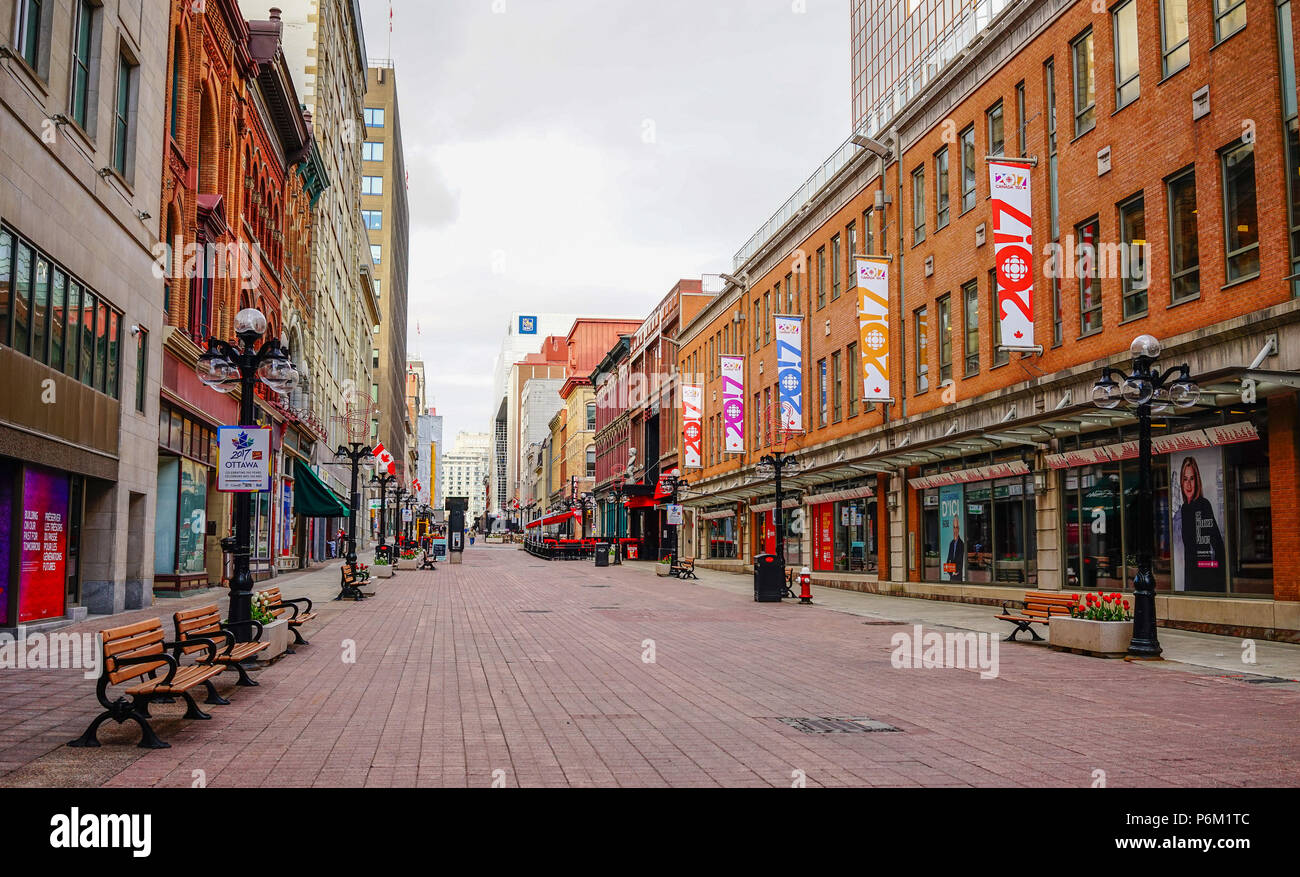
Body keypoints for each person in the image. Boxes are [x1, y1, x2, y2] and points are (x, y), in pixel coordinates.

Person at [1174, 456, 1226, 592]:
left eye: (1192, 479)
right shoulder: (1183, 510)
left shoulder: (1204, 505)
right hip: (1190, 575)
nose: (1188, 485)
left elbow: (1218, 545)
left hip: (1205, 575)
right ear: (1181, 481)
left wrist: (1220, 580)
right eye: (1185, 479)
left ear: (1197, 481)